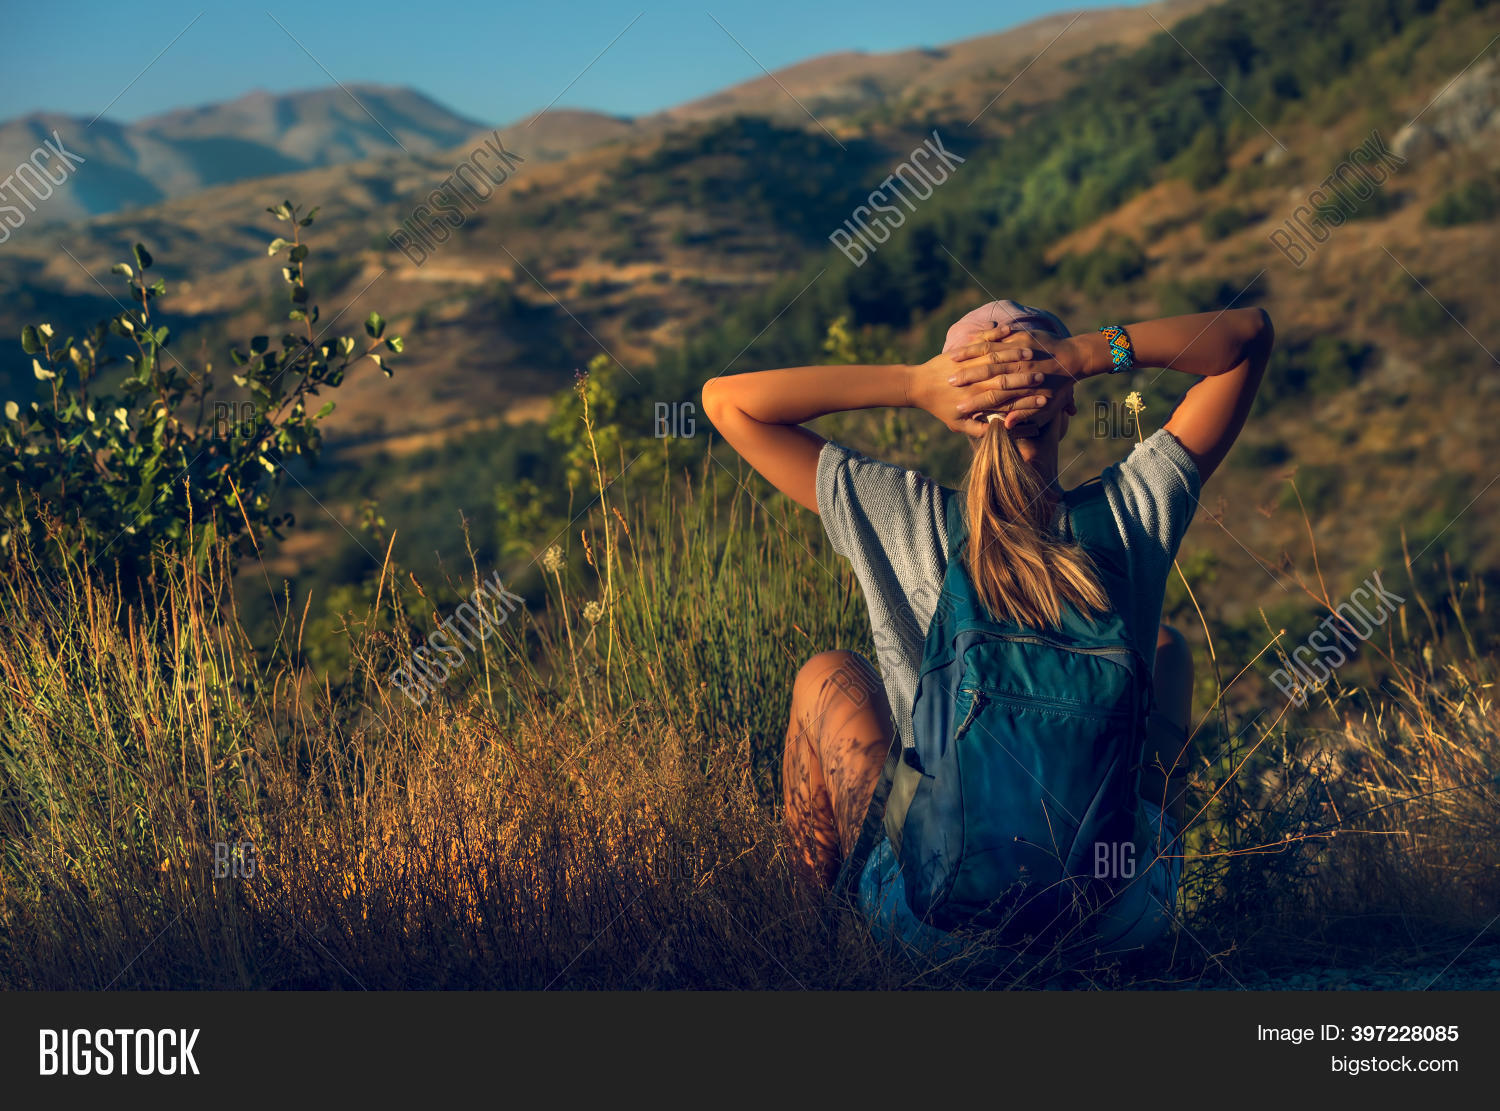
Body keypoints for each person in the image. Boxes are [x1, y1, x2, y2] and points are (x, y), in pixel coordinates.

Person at [701, 299, 1274, 956]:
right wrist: (1087, 354)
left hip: (937, 929)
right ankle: (1136, 864)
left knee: (827, 675)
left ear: (962, 418)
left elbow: (727, 402)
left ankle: (817, 943)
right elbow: (1248, 335)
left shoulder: (906, 519)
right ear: (1068, 406)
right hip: (1114, 923)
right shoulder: (1130, 514)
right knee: (1165, 651)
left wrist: (915, 386)